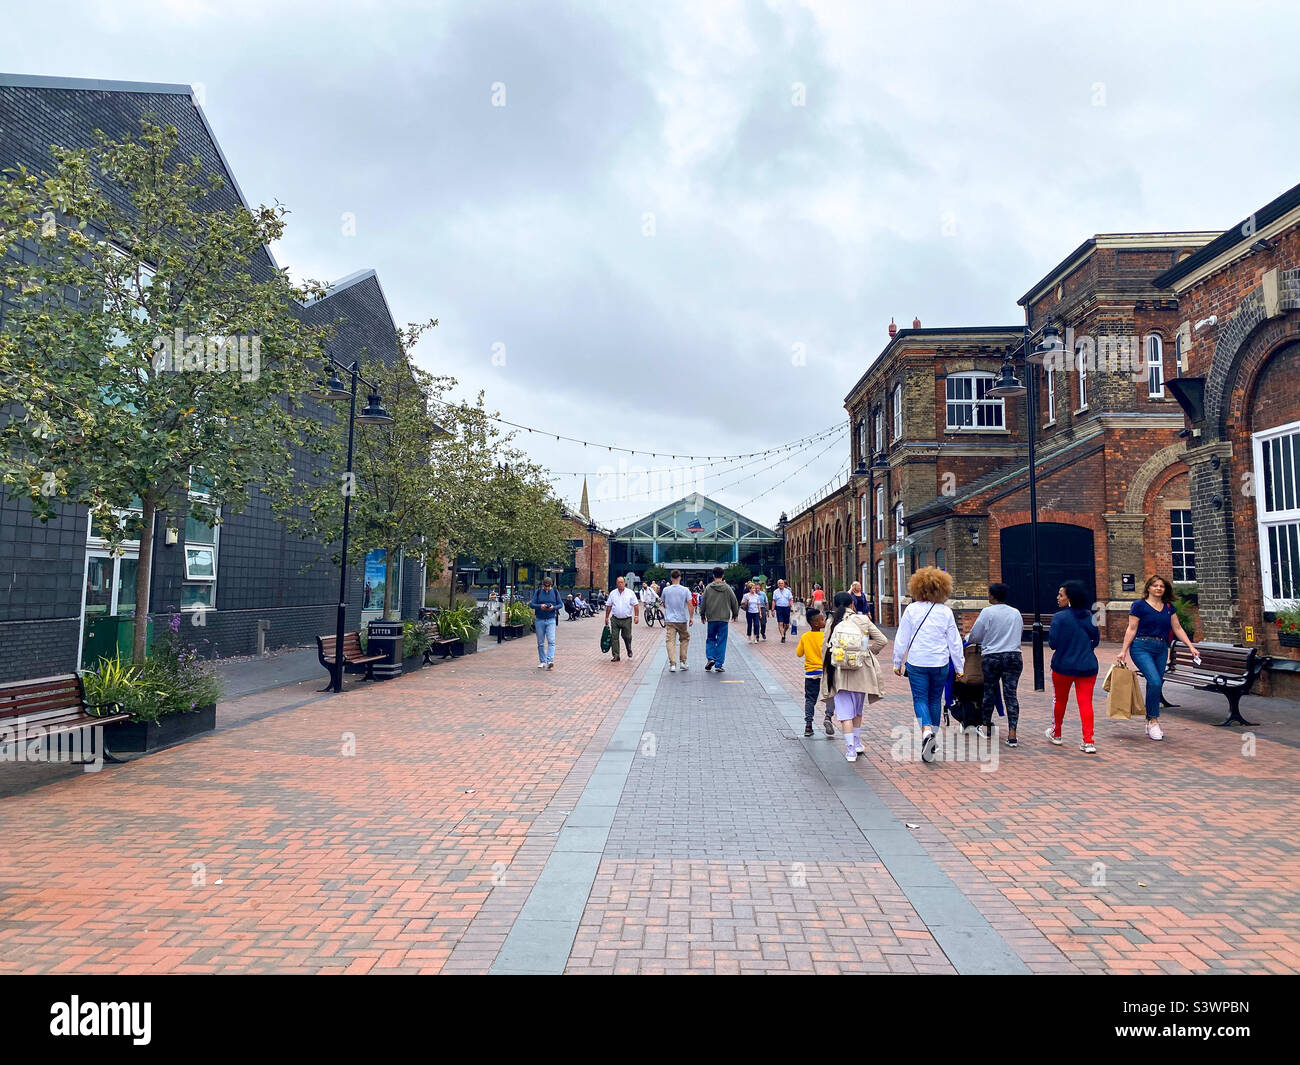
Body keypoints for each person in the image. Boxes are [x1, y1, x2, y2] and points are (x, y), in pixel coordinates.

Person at [892, 567, 964, 763]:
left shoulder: (912, 610)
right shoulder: (946, 612)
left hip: (917, 662)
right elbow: (955, 642)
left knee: (920, 699)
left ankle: (925, 732)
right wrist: (960, 667)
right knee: (935, 699)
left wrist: (897, 662)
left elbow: (902, 639)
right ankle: (932, 734)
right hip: (940, 662)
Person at [1117, 574, 1198, 742]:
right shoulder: (1139, 605)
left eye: (1161, 586)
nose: (1158, 588)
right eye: (1155, 586)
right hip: (1141, 647)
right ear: (1148, 588)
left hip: (1161, 648)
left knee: (1156, 683)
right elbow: (1131, 629)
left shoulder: (1168, 607)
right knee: (1154, 681)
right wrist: (1123, 651)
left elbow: (1177, 628)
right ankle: (1153, 720)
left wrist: (1191, 646)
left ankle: (1149, 721)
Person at [821, 591, 889, 761]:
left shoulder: (832, 621)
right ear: (852, 604)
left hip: (839, 673)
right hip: (861, 672)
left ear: (835, 605)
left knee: (844, 714)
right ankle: (857, 743)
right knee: (857, 712)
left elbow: (825, 648)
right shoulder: (863, 620)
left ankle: (850, 749)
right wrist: (867, 654)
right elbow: (882, 640)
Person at [966, 582, 1024, 747]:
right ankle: (1012, 733)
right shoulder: (1015, 613)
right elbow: (1019, 633)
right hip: (1013, 656)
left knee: (989, 691)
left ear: (992, 596)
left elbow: (976, 635)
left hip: (992, 657)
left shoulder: (987, 612)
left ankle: (986, 726)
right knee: (1011, 694)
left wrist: (968, 639)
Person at [1047, 580, 1101, 753]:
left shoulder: (1059, 617)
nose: (1057, 597)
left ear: (1069, 598)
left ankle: (1057, 734)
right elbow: (1096, 640)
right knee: (1086, 703)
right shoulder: (1090, 617)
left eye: (1060, 595)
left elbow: (1053, 644)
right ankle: (1088, 741)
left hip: (1063, 666)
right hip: (1087, 666)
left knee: (1060, 700)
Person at [796, 608, 836, 737]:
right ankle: (828, 717)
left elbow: (799, 653)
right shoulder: (825, 637)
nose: (824, 621)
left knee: (810, 699)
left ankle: (808, 725)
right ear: (816, 624)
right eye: (822, 619)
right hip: (825, 672)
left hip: (811, 673)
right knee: (830, 697)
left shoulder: (805, 637)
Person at [701, 565, 740, 672]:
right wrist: (735, 614)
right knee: (722, 640)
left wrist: (702, 614)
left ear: (713, 575)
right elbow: (734, 601)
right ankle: (718, 664)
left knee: (710, 639)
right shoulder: (727, 588)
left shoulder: (708, 588)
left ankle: (710, 658)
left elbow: (703, 602)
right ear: (723, 575)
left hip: (712, 618)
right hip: (723, 618)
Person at [661, 569, 695, 673]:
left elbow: (663, 603)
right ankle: (683, 662)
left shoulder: (666, 590)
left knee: (670, 640)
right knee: (684, 639)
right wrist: (691, 617)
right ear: (680, 577)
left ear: (671, 578)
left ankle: (672, 663)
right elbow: (690, 604)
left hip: (669, 619)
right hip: (681, 619)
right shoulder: (685, 590)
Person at [604, 576, 639, 662]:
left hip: (627, 619)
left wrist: (636, 616)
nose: (620, 584)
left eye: (622, 582)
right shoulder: (613, 593)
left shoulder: (630, 593)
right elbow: (609, 606)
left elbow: (636, 605)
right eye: (618, 582)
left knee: (627, 636)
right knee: (614, 638)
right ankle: (616, 655)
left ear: (625, 583)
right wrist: (606, 617)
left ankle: (629, 648)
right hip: (615, 619)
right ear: (616, 584)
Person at [530, 576, 562, 669]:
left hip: (551, 619)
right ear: (543, 585)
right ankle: (542, 661)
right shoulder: (538, 592)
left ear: (551, 585)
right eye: (545, 586)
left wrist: (553, 607)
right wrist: (540, 606)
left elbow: (560, 604)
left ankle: (550, 660)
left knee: (551, 641)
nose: (547, 588)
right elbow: (532, 604)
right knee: (540, 642)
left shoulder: (555, 592)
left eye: (549, 586)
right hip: (540, 619)